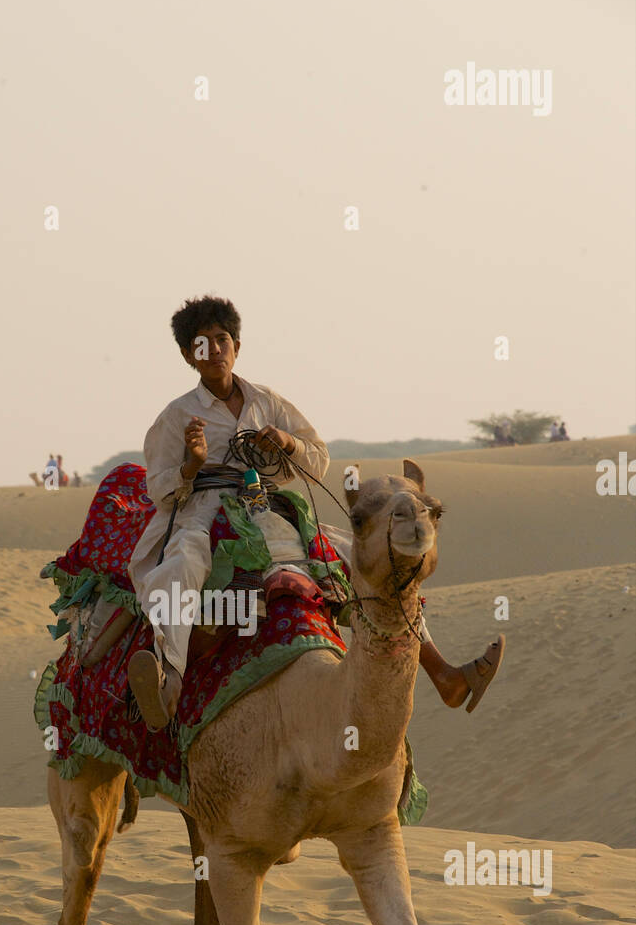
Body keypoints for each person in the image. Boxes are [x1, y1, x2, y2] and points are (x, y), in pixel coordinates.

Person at [127, 295, 503, 730]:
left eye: (221, 339)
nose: (214, 349)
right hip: (203, 512)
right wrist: (192, 463)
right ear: (187, 355)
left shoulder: (268, 401)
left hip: (268, 506)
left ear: (237, 346)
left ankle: (442, 673)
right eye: (201, 342)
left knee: (363, 557)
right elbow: (160, 490)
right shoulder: (175, 417)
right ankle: (168, 681)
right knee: (182, 566)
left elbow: (318, 459)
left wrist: (287, 444)